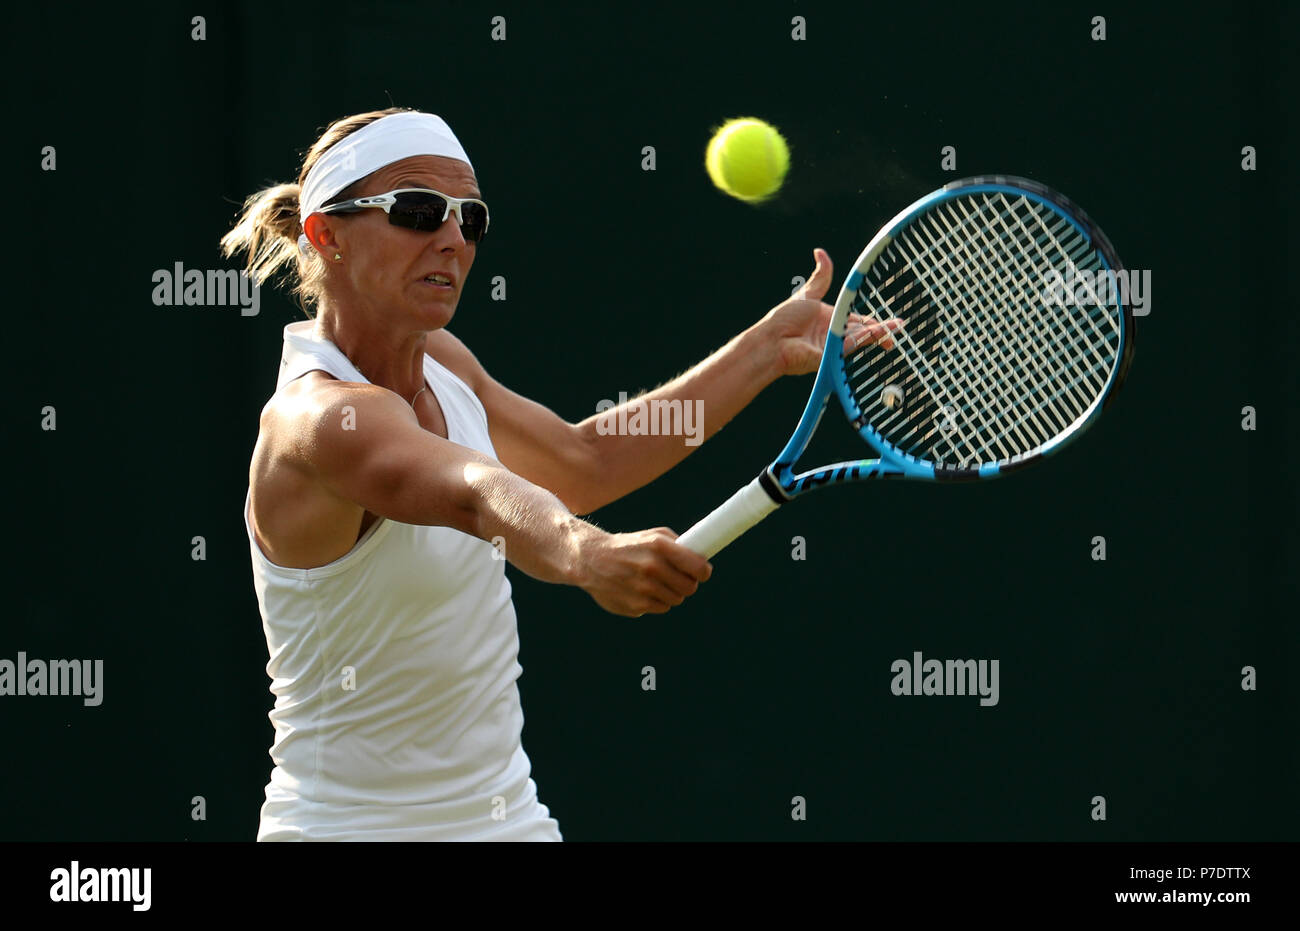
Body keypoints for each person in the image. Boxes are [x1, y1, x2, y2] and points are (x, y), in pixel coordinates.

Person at [221, 107, 899, 841]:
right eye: (416, 212)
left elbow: (583, 462)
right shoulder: (318, 421)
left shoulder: (444, 358)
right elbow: (475, 491)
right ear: (327, 234)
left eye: (470, 219)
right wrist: (584, 552)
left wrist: (763, 351)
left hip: (505, 820)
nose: (452, 238)